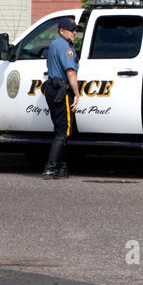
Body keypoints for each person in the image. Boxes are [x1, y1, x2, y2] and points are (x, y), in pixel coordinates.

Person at [42, 17, 81, 179]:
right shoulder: (66, 47)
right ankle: (50, 168)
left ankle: (61, 168)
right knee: (63, 131)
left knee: (60, 130)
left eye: (75, 30)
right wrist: (77, 94)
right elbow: (70, 72)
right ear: (61, 31)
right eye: (71, 30)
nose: (74, 33)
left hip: (51, 88)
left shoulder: (54, 44)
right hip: (62, 90)